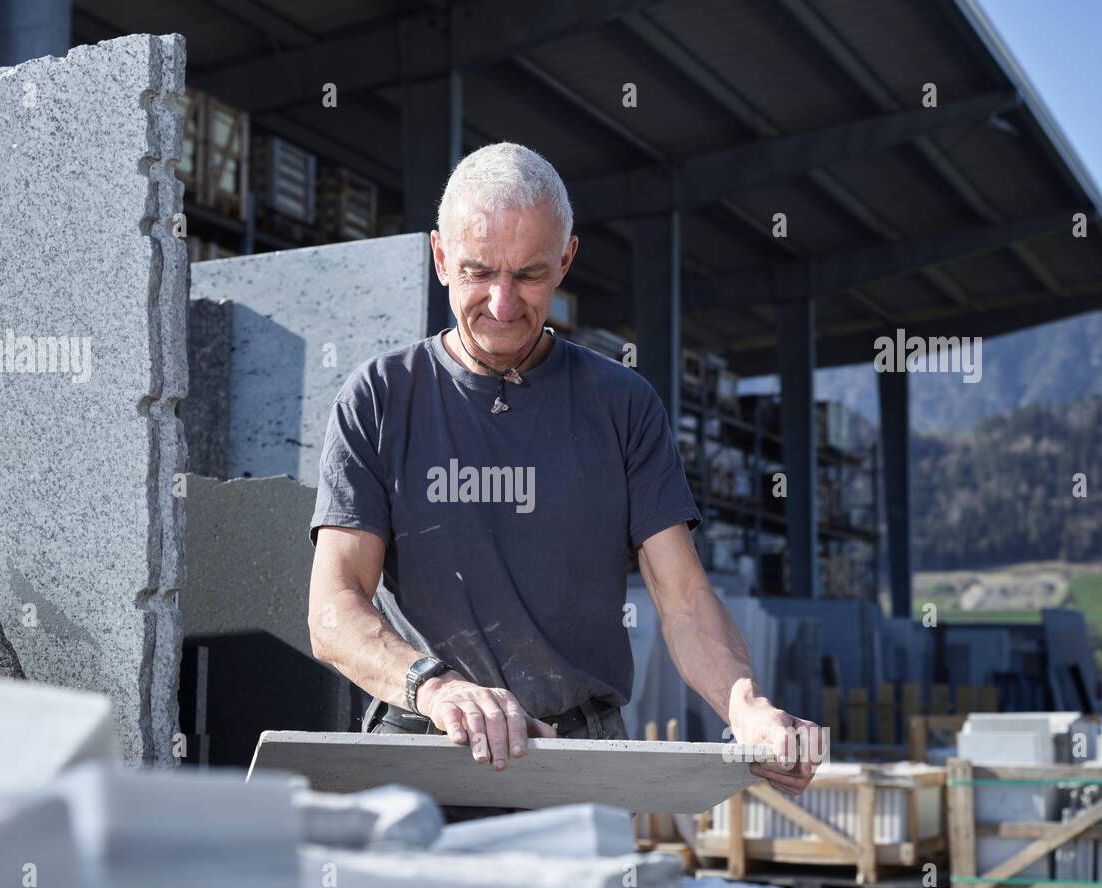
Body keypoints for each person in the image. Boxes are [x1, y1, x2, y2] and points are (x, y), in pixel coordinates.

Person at [308, 142, 819, 801]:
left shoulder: (622, 406)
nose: (500, 302)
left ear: (566, 262)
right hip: (418, 759)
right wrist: (435, 686)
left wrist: (746, 705)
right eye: (477, 271)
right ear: (439, 258)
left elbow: (684, 597)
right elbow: (333, 606)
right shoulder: (378, 399)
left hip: (579, 760)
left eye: (528, 275)